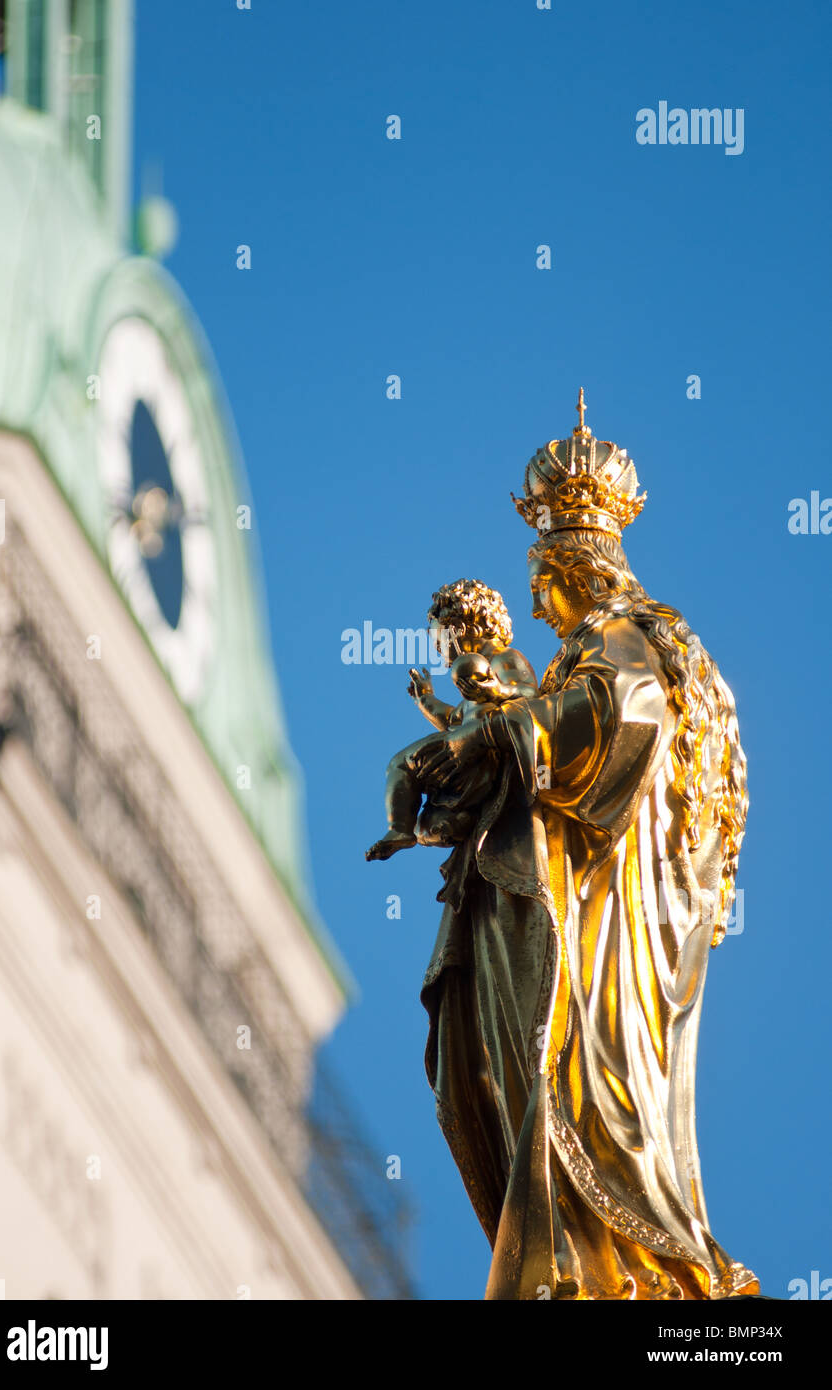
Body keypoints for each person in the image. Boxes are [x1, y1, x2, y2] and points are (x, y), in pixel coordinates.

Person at [381, 399, 760, 1300]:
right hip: (612, 905)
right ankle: (585, 1253)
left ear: (568, 570)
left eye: (541, 581)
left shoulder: (623, 637)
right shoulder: (616, 644)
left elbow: (615, 713)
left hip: (611, 921)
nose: (536, 604)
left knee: (590, 1080)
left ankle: (616, 1255)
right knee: (558, 1079)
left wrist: (486, 742)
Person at [366, 579, 537, 860]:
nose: (441, 655)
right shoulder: (470, 697)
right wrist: (426, 701)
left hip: (488, 754)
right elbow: (452, 720)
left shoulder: (505, 659)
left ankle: (414, 826)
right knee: (403, 771)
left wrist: (498, 690)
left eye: (440, 642)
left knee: (403, 763)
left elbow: (530, 696)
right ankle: (404, 828)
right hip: (467, 760)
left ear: (463, 628)